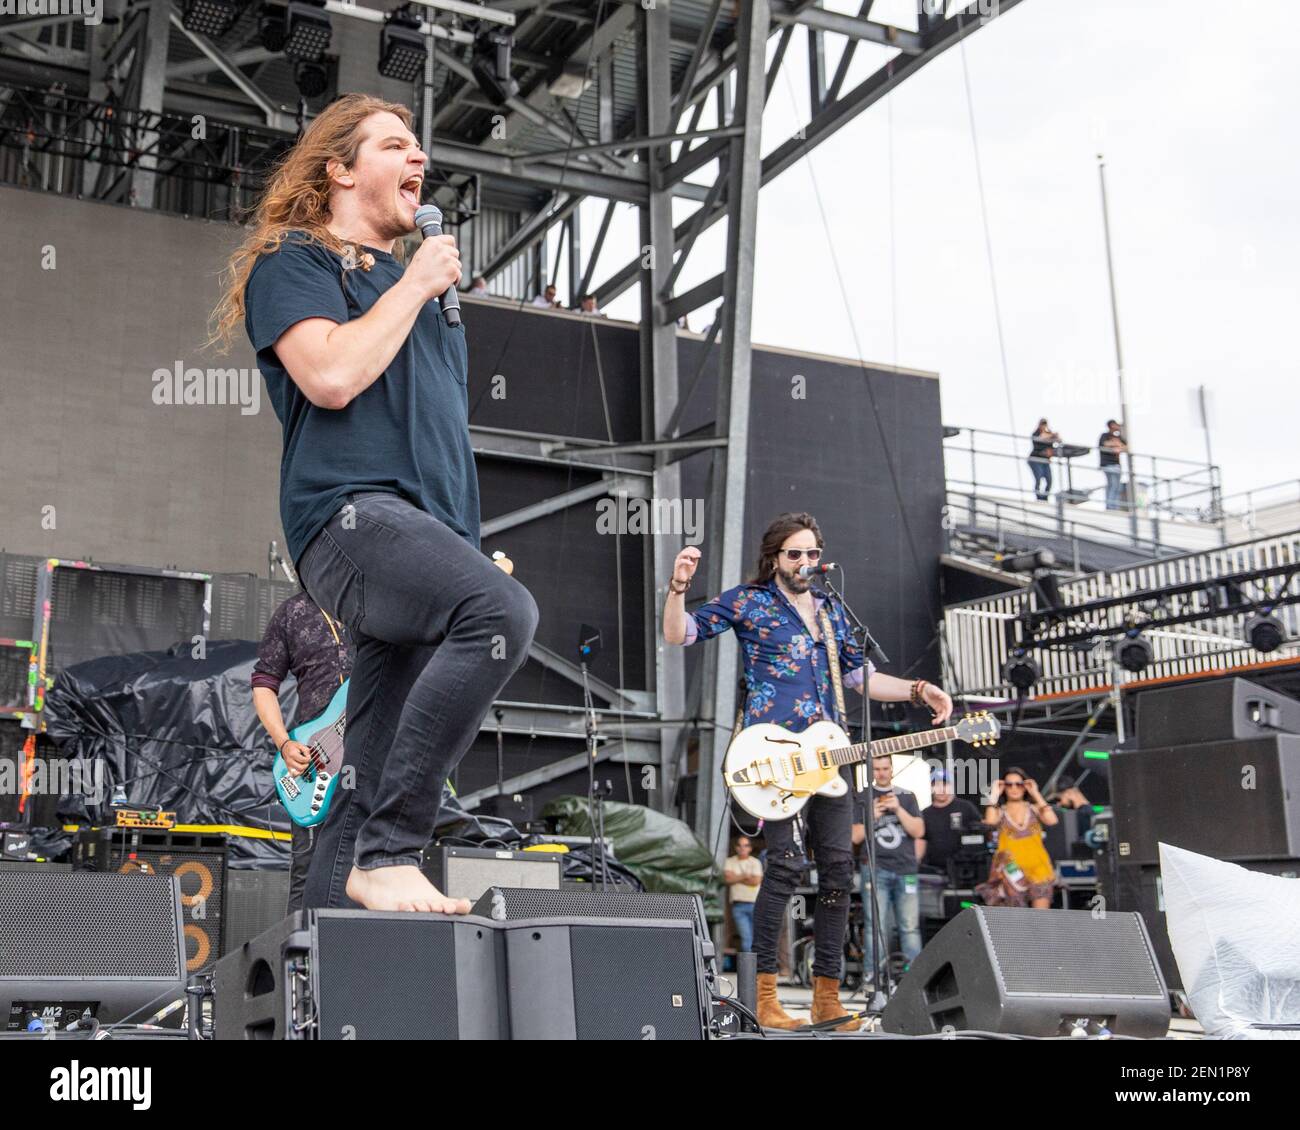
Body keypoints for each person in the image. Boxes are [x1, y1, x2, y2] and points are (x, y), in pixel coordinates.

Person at [209, 93, 538, 913]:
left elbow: (435, 434)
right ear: (341, 170)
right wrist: (418, 285)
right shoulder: (296, 259)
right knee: (502, 616)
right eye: (396, 145)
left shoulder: (418, 291)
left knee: (363, 765)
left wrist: (464, 543)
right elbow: (329, 376)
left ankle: (307, 980)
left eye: (421, 148)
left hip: (426, 527)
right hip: (345, 516)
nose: (420, 160)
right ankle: (395, 848)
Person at [663, 512, 953, 1030]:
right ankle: (764, 994)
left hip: (832, 756)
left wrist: (917, 689)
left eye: (812, 553)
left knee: (840, 870)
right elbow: (680, 633)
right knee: (785, 865)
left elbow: (860, 676)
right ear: (774, 557)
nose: (805, 562)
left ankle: (827, 997)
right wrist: (679, 586)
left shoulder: (831, 610)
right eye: (794, 553)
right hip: (772, 756)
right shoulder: (748, 601)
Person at [251, 592, 355, 913]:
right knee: (308, 876)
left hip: (371, 754)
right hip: (315, 763)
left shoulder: (376, 598)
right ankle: (300, 960)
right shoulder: (293, 613)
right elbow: (264, 682)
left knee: (371, 865)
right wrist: (284, 743)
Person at [853, 752, 924, 970]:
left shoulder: (907, 796)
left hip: (906, 868)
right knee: (876, 926)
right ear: (870, 771)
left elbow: (919, 831)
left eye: (885, 768)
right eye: (877, 769)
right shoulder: (862, 797)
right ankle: (872, 978)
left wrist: (898, 809)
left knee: (910, 926)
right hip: (875, 868)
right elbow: (854, 837)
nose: (881, 773)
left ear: (892, 769)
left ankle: (915, 978)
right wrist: (872, 815)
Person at [977, 768, 1058, 908]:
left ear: (1025, 786)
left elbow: (1052, 820)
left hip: (1039, 868)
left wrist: (1035, 793)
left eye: (1019, 784)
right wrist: (995, 793)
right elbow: (990, 822)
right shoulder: (1000, 811)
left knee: (1041, 918)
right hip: (1011, 869)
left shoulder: (1034, 808)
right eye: (1009, 784)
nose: (1014, 788)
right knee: (1017, 920)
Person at [918, 766, 983, 874]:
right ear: (931, 787)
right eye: (937, 785)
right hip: (934, 870)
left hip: (966, 869)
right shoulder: (925, 813)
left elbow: (981, 833)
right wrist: (916, 862)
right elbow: (920, 840)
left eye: (945, 784)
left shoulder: (966, 807)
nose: (941, 789)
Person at [723, 835, 762, 955]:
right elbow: (727, 879)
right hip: (738, 904)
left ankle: (759, 967)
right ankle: (749, 969)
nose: (742, 848)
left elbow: (756, 881)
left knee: (758, 938)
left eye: (746, 845)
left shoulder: (755, 862)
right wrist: (746, 875)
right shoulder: (729, 861)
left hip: (755, 904)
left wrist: (737, 877)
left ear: (750, 848)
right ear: (736, 847)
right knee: (746, 939)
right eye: (739, 845)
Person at [1099, 418, 1127, 510]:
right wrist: (1116, 445)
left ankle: (1112, 505)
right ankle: (1112, 506)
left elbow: (1126, 447)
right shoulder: (1105, 435)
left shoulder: (1119, 437)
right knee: (1113, 485)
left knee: (1115, 485)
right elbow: (1104, 444)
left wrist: (1118, 446)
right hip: (1108, 464)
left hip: (1116, 464)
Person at [1028, 419, 1060, 501]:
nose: (1044, 426)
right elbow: (1042, 437)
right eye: (1042, 424)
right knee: (1038, 479)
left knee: (1049, 481)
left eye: (1045, 424)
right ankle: (1038, 497)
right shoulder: (1036, 434)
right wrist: (1052, 435)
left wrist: (1055, 436)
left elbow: (1059, 440)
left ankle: (1045, 498)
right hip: (1035, 460)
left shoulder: (1049, 434)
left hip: (1045, 461)